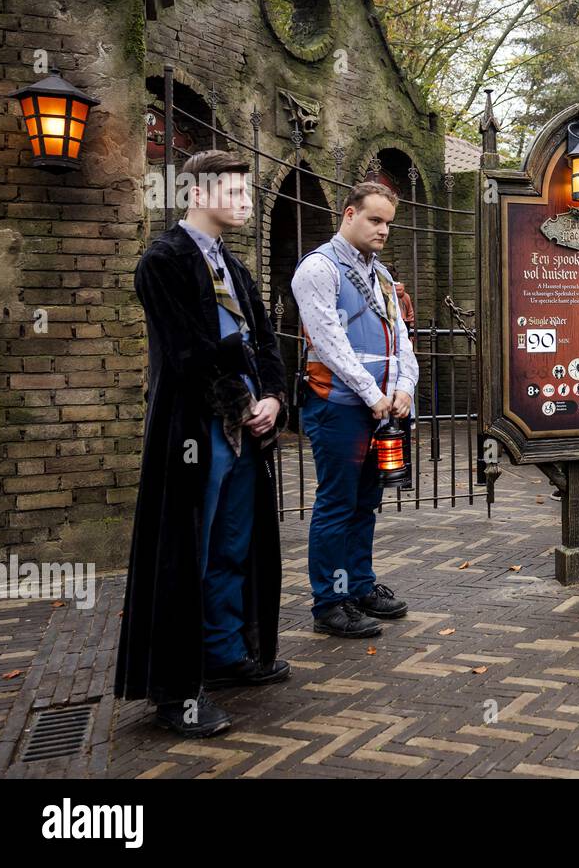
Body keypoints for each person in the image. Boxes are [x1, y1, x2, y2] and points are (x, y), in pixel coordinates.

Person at [115, 150, 290, 739]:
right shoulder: (162, 262)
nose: (245, 202)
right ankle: (177, 692)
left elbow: (265, 341)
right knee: (185, 553)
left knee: (234, 546)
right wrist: (243, 405)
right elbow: (189, 353)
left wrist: (272, 397)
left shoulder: (235, 269)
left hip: (247, 430)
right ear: (195, 194)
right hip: (193, 431)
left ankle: (223, 652)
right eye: (235, 193)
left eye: (248, 193)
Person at [292, 182, 420, 637]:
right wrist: (373, 394)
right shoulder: (318, 268)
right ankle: (330, 602)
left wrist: (405, 385)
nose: (383, 230)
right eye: (375, 220)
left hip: (383, 407)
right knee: (337, 503)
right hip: (338, 406)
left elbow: (402, 338)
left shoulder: (381, 275)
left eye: (388, 222)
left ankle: (360, 585)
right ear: (349, 214)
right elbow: (329, 343)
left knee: (367, 501)